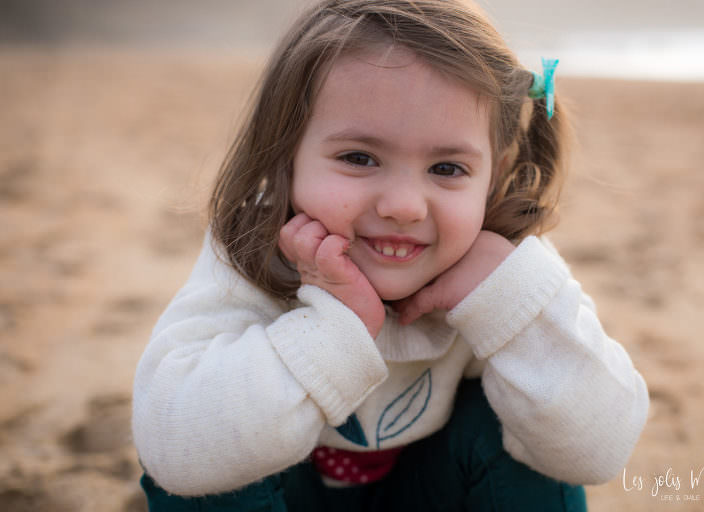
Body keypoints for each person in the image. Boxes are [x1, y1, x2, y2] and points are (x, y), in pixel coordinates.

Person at [132, 0, 649, 510]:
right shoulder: (252, 247)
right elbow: (170, 449)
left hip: (432, 489)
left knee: (526, 425)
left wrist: (510, 304)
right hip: (286, 497)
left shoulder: (501, 264)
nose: (403, 207)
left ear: (495, 171)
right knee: (212, 436)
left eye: (448, 169)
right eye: (359, 158)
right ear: (285, 154)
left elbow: (598, 452)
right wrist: (340, 326)